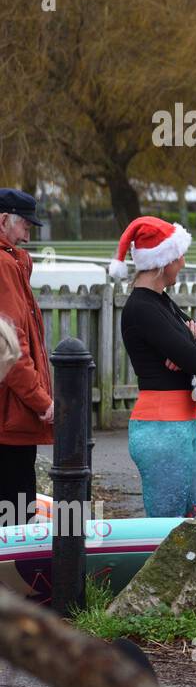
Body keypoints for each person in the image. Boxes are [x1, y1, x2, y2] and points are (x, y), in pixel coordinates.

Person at [110, 217, 196, 518]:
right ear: (162, 261)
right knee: (167, 525)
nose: (183, 263)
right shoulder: (142, 308)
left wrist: (191, 347)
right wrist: (192, 348)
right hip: (160, 429)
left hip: (185, 423)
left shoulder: (162, 301)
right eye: (179, 256)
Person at [0, 190, 52, 525]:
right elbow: (9, 348)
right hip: (9, 416)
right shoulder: (4, 265)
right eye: (24, 225)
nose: (29, 234)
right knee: (15, 517)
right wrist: (41, 401)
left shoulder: (12, 262)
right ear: (4, 220)